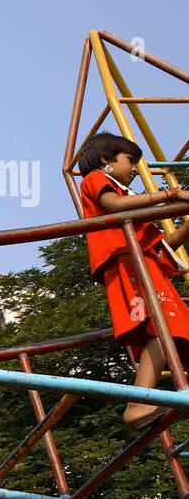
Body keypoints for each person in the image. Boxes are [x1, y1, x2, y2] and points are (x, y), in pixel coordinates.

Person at [75, 132, 189, 428]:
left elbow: (160, 247)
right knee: (160, 329)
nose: (137, 169)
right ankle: (138, 404)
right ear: (105, 159)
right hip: (129, 264)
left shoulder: (132, 206)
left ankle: (146, 401)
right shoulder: (98, 180)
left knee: (173, 330)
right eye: (131, 160)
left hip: (145, 264)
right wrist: (172, 196)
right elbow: (112, 205)